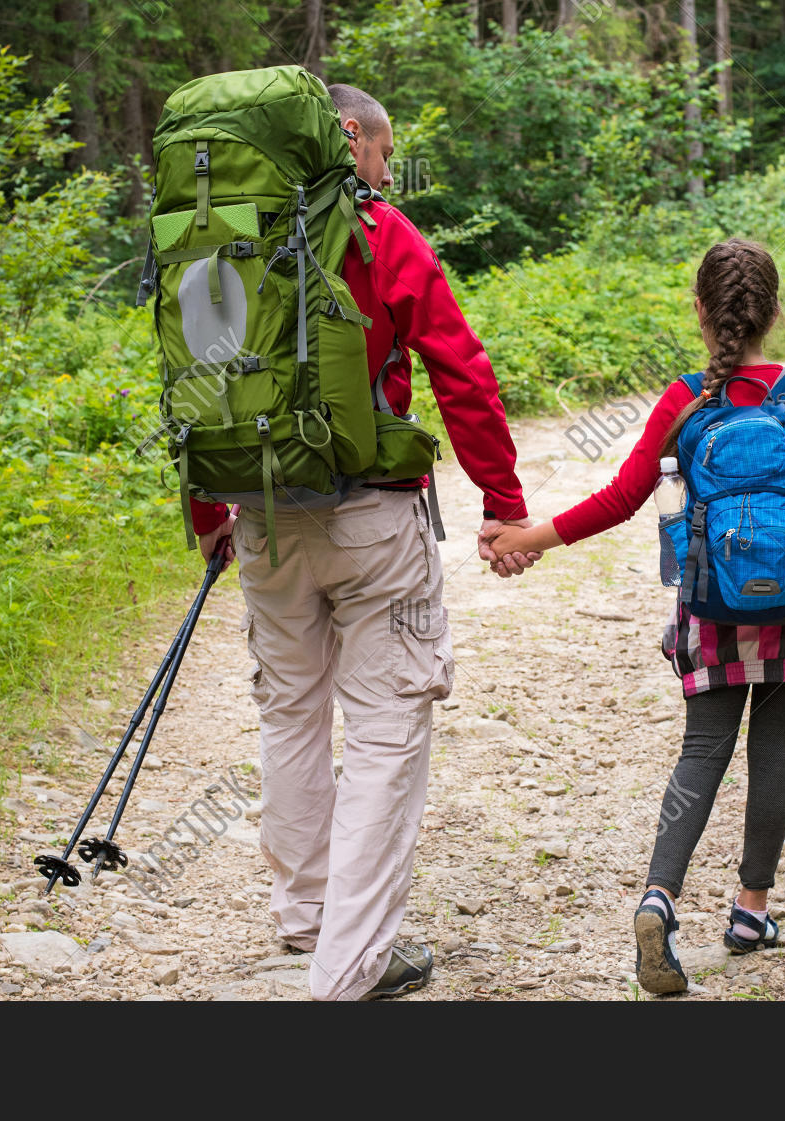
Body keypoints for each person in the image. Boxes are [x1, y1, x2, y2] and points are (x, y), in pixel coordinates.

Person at [191, 83, 538, 1000]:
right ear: (352, 137)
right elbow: (462, 371)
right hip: (373, 517)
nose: (385, 172)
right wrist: (502, 500)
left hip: (263, 518)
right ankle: (350, 966)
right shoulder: (380, 231)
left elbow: (201, 382)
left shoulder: (224, 238)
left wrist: (210, 510)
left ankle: (308, 921)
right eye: (383, 154)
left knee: (290, 715)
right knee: (385, 727)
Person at [484, 238, 785, 995]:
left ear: (700, 311)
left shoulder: (685, 401)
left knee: (702, 751)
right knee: (774, 753)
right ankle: (751, 911)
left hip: (713, 608)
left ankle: (658, 898)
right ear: (774, 312)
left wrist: (527, 537)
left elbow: (623, 499)